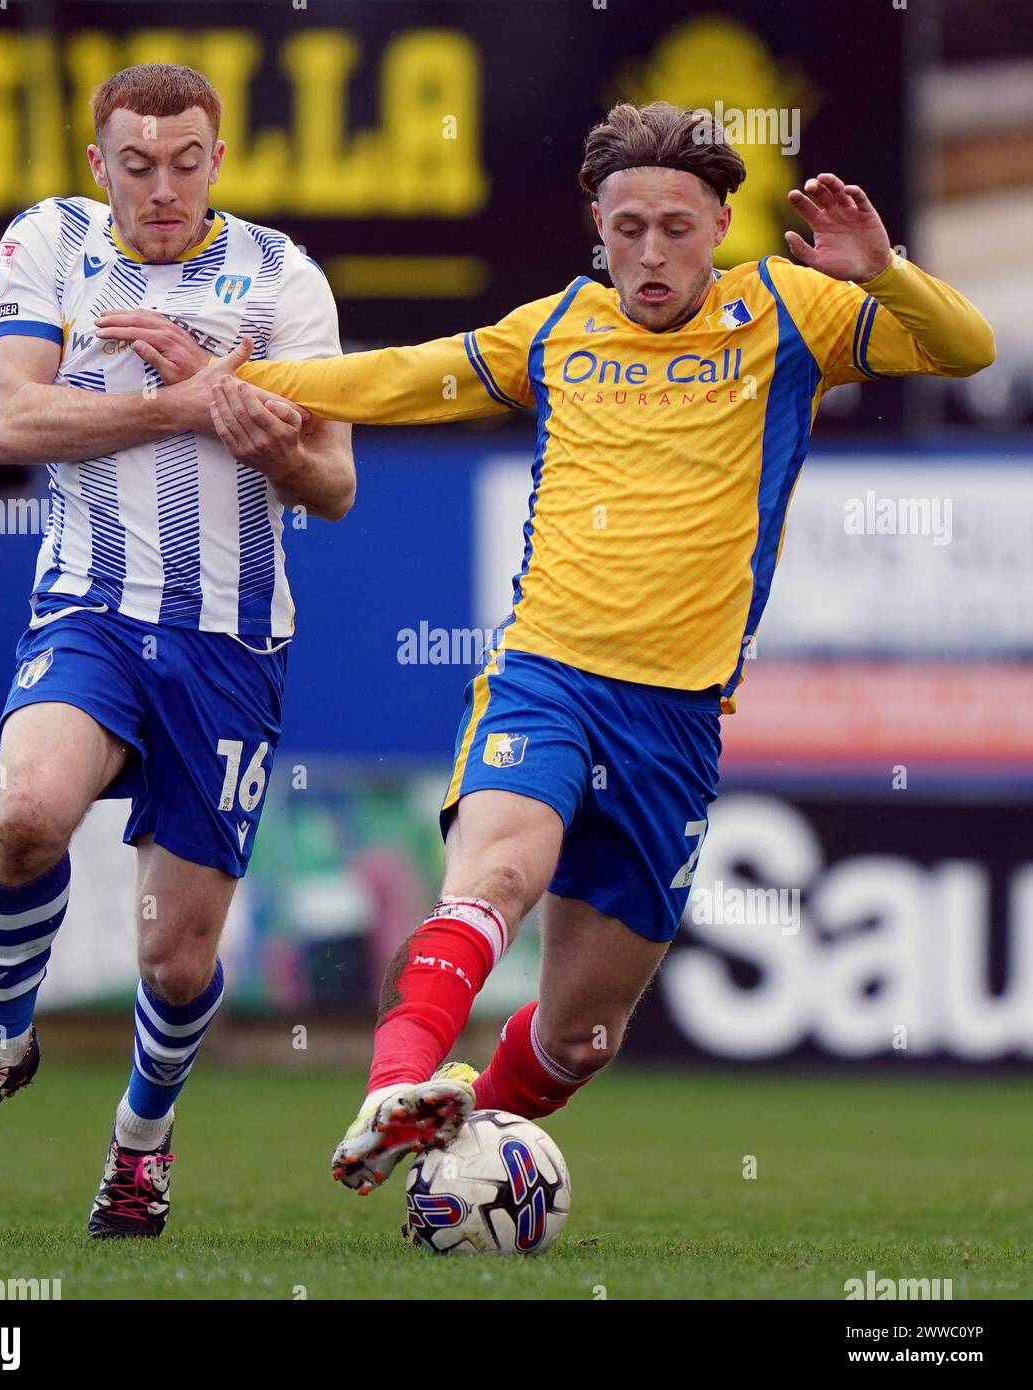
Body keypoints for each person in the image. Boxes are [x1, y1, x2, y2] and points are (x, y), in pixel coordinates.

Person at [136, 100, 997, 1197]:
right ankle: (394, 1086)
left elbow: (964, 349)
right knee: (497, 873)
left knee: (583, 1035)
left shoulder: (792, 311)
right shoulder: (553, 330)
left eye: (677, 227)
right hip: (545, 675)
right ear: (599, 223)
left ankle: (463, 1148)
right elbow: (395, 377)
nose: (651, 251)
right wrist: (230, 383)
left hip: (677, 722)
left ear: (722, 221)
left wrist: (884, 272)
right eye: (628, 226)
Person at [0, 63, 355, 1238]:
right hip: (90, 611)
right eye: (138, 163)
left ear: (218, 158)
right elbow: (13, 418)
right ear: (100, 163)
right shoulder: (48, 243)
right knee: (25, 815)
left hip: (232, 642)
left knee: (174, 959)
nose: (163, 185)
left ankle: (138, 1152)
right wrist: (193, 399)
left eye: (186, 160)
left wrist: (245, 416)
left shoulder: (283, 279)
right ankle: (1, 1044)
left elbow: (333, 480)